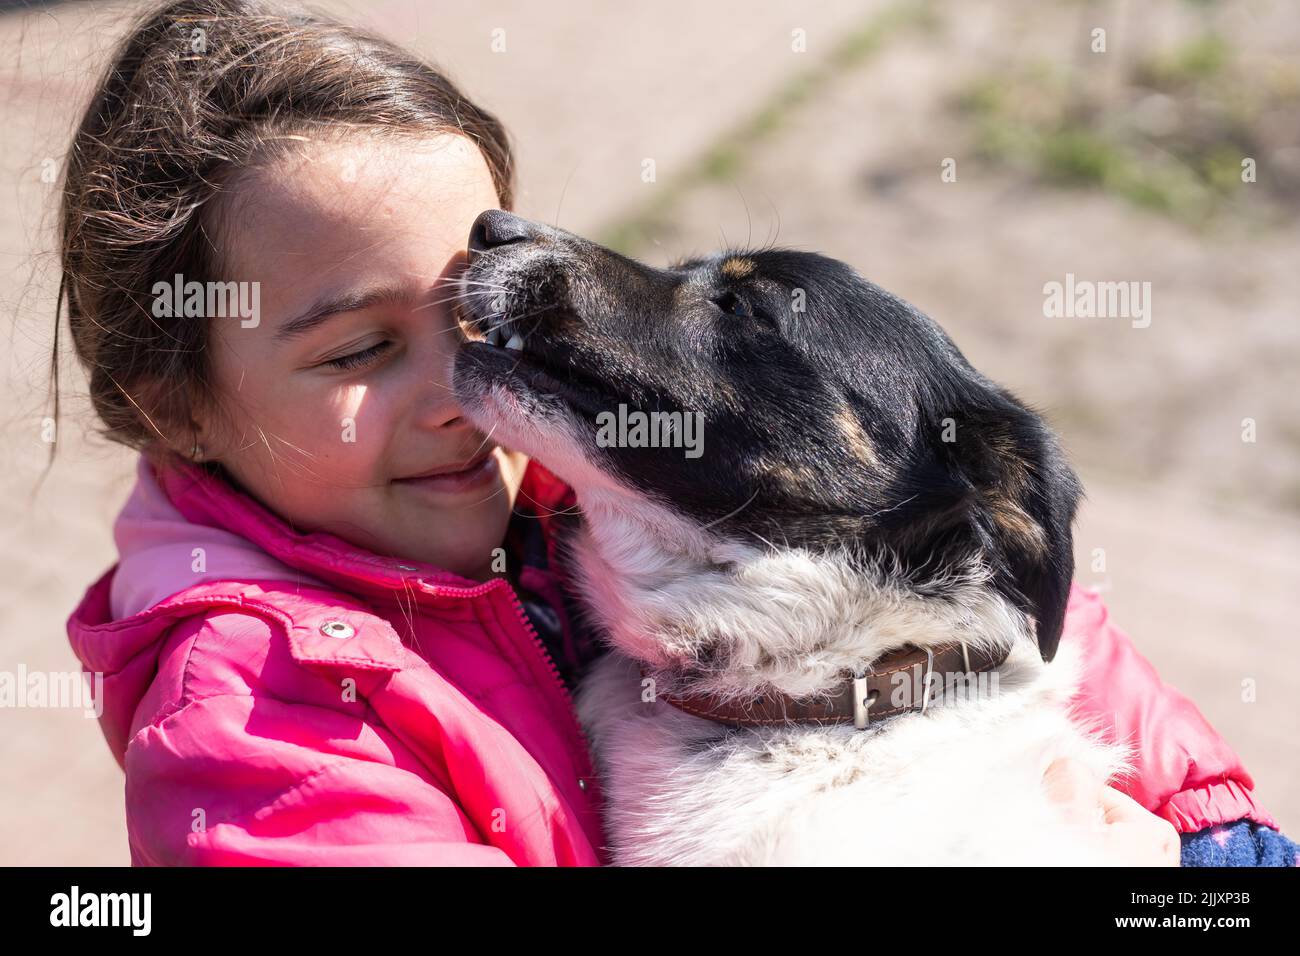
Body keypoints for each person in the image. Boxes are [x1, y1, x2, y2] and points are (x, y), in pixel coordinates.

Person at [57, 0, 1293, 866]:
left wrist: (1224, 855)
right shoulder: (256, 718)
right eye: (357, 350)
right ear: (180, 405)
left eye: (457, 314)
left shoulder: (568, 489)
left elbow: (1037, 618)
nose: (464, 387)